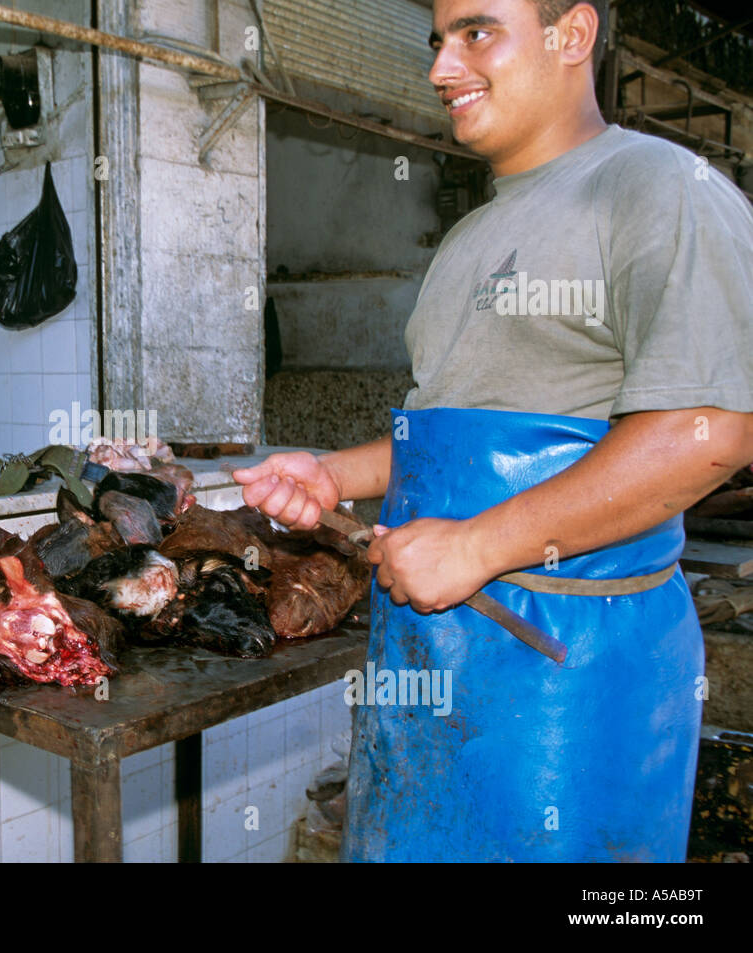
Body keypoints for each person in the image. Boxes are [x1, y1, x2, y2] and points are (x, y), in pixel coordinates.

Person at [236, 0, 753, 861]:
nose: (442, 67)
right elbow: (452, 434)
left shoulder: (661, 188)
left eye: (476, 33)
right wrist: (334, 474)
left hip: (565, 684)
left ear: (571, 34)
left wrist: (478, 546)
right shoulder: (471, 235)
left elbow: (713, 433)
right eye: (437, 41)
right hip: (429, 665)